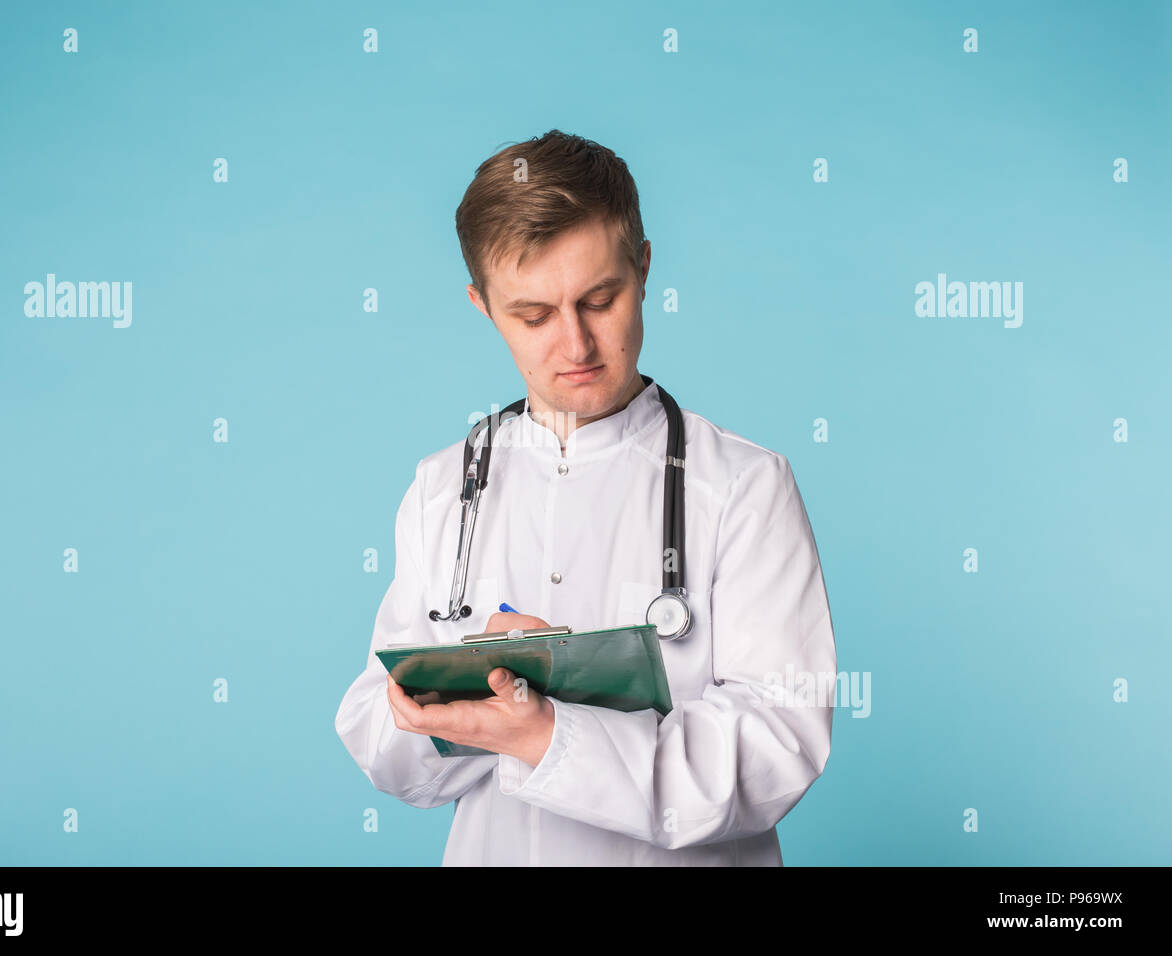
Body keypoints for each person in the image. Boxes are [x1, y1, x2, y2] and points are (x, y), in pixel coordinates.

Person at [334, 129, 837, 866]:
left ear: (644, 267)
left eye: (600, 300)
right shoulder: (444, 488)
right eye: (532, 316)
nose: (574, 345)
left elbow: (779, 745)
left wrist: (546, 733)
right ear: (482, 307)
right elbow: (383, 747)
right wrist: (453, 702)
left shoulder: (743, 486)